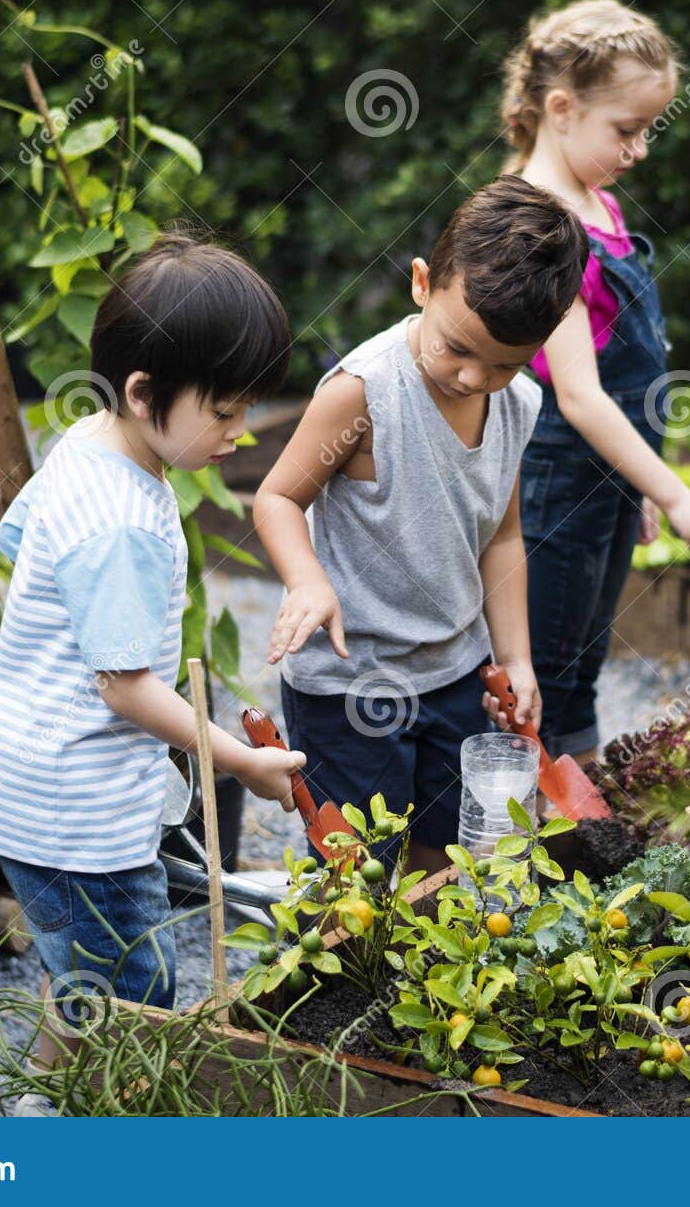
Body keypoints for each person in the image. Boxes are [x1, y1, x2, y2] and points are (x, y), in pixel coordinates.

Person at [0, 233, 303, 1111]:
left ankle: (38, 1106)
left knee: (83, 974)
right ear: (145, 392)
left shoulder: (90, 440)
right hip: (76, 816)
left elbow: (16, 539)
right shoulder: (123, 522)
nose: (240, 431)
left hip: (37, 784)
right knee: (133, 994)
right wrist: (240, 760)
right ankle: (88, 1131)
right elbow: (123, 684)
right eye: (225, 412)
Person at [255, 176, 588, 874]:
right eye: (456, 349)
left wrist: (517, 659)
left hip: (453, 674)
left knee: (448, 851)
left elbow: (501, 536)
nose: (472, 378)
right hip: (351, 686)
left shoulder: (520, 405)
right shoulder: (362, 392)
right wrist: (306, 578)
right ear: (422, 284)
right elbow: (278, 498)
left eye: (502, 364)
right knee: (358, 870)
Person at [502, 0, 690, 767]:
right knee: (542, 675)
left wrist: (637, 482)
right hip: (553, 483)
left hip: (599, 475)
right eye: (626, 129)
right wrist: (678, 494)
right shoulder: (541, 226)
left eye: (648, 129)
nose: (641, 148)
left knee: (580, 664)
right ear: (561, 108)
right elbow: (577, 395)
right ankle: (520, 842)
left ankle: (573, 824)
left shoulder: (597, 204)